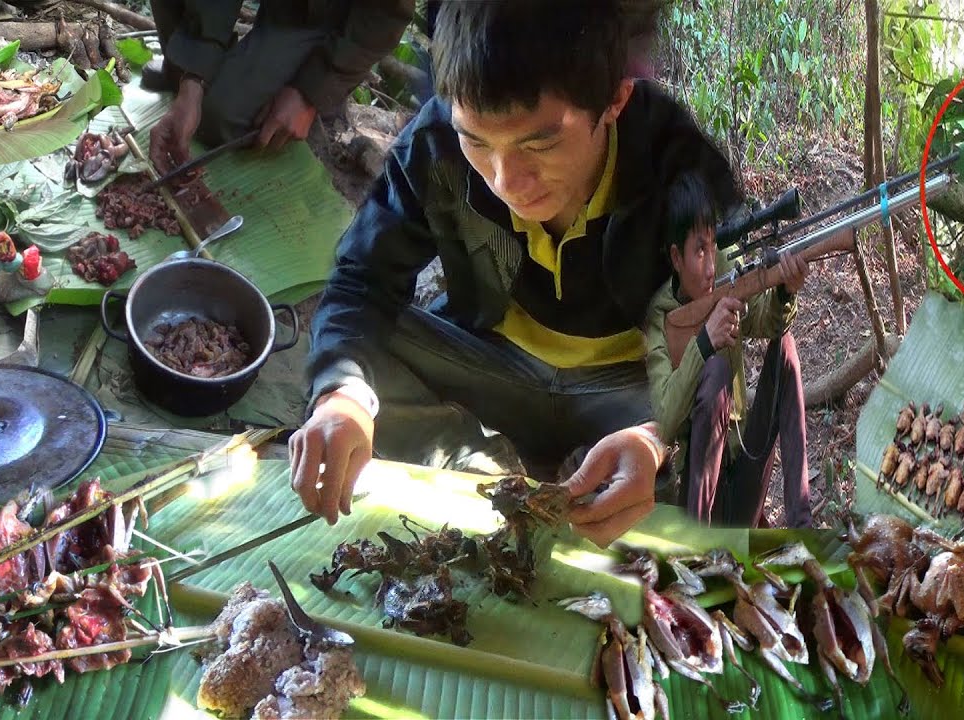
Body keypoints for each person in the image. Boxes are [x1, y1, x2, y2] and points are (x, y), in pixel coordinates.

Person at [289, 0, 741, 547]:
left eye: (541, 143)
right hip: (492, 365)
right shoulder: (435, 143)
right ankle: (483, 462)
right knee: (348, 362)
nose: (507, 180)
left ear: (615, 100)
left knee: (689, 454)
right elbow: (361, 282)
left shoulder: (678, 166)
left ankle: (603, 464)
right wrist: (343, 396)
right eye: (476, 141)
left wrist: (654, 440)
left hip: (627, 390)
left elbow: (721, 336)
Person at [643, 172, 814, 528]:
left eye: (712, 245)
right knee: (717, 370)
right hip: (703, 495)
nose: (709, 266)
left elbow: (766, 323)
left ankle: (802, 524)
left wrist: (785, 291)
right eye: (698, 251)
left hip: (744, 472)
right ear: (676, 257)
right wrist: (703, 343)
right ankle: (697, 550)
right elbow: (666, 420)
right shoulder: (661, 316)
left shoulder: (723, 270)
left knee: (785, 347)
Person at [143, 0, 414, 175]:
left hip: (323, 15)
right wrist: (192, 80)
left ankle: (320, 84)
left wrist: (311, 92)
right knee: (198, 94)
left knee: (219, 115)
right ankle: (182, 65)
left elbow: (386, 15)